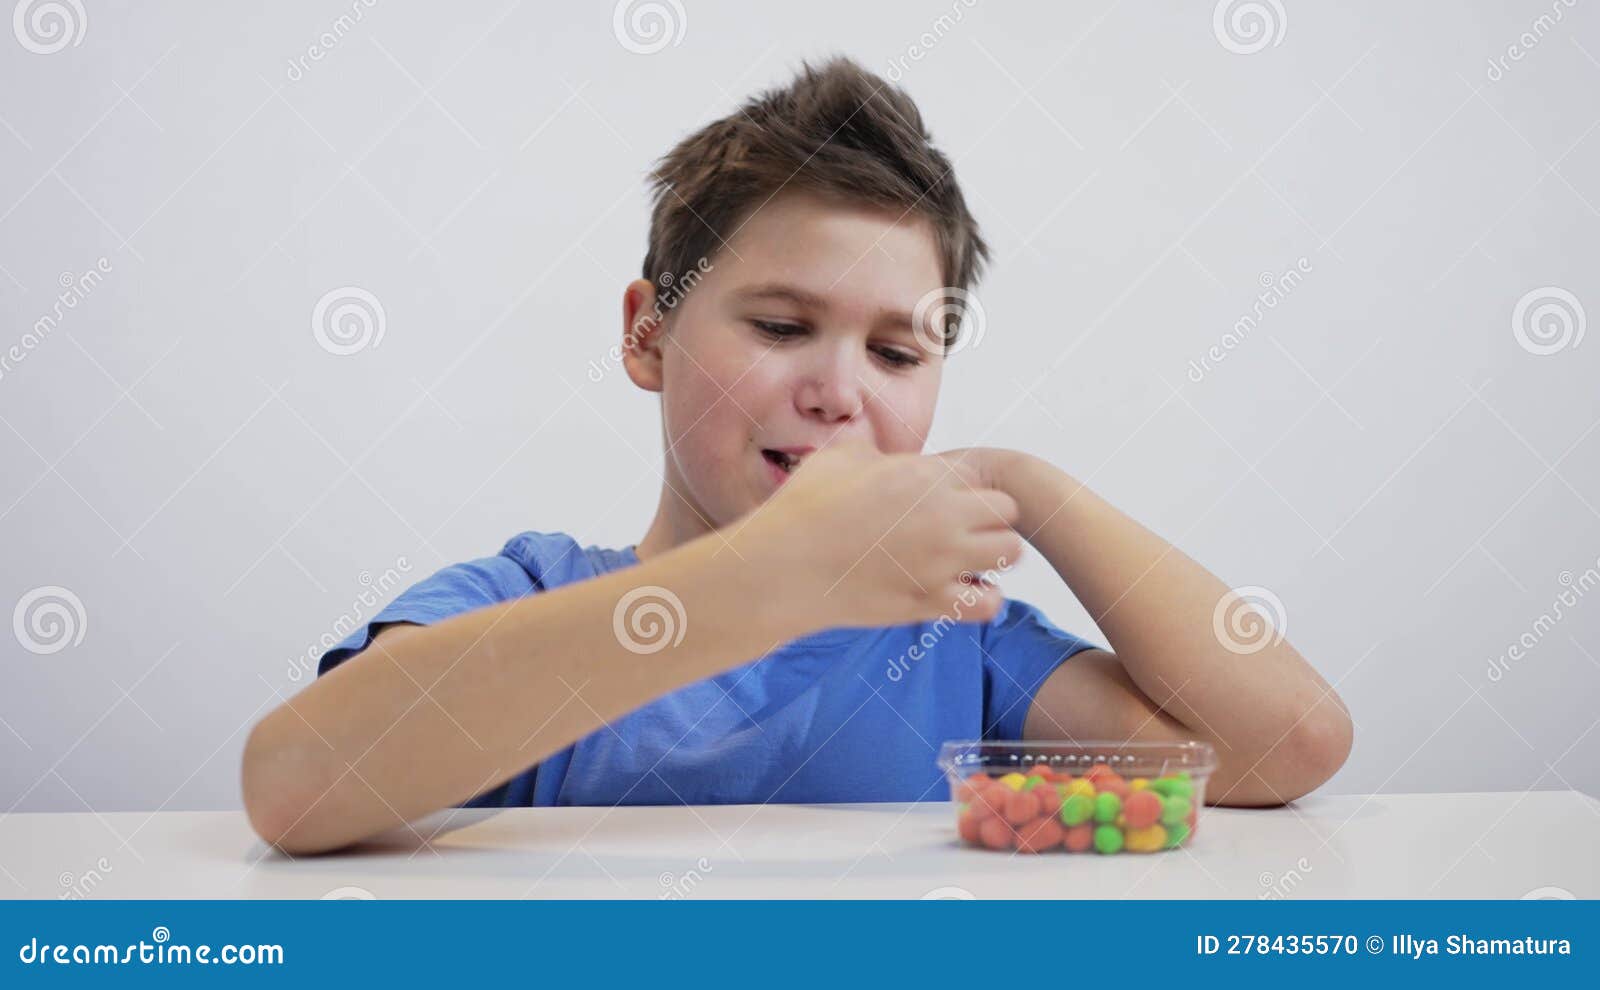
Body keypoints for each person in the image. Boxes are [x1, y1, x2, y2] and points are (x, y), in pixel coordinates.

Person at [242, 56, 1352, 855]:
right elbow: (295, 788)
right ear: (647, 333)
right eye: (779, 329)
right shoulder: (527, 595)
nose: (836, 392)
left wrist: (1020, 484)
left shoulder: (954, 647)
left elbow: (1287, 744)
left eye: (896, 351)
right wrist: (770, 578)